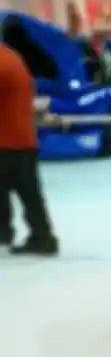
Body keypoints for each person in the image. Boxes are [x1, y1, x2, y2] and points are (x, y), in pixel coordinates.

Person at [0, 36, 59, 255]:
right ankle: (40, 236)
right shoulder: (11, 57)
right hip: (20, 139)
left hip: (8, 142)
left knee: (25, 192)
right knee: (28, 192)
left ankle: (39, 237)